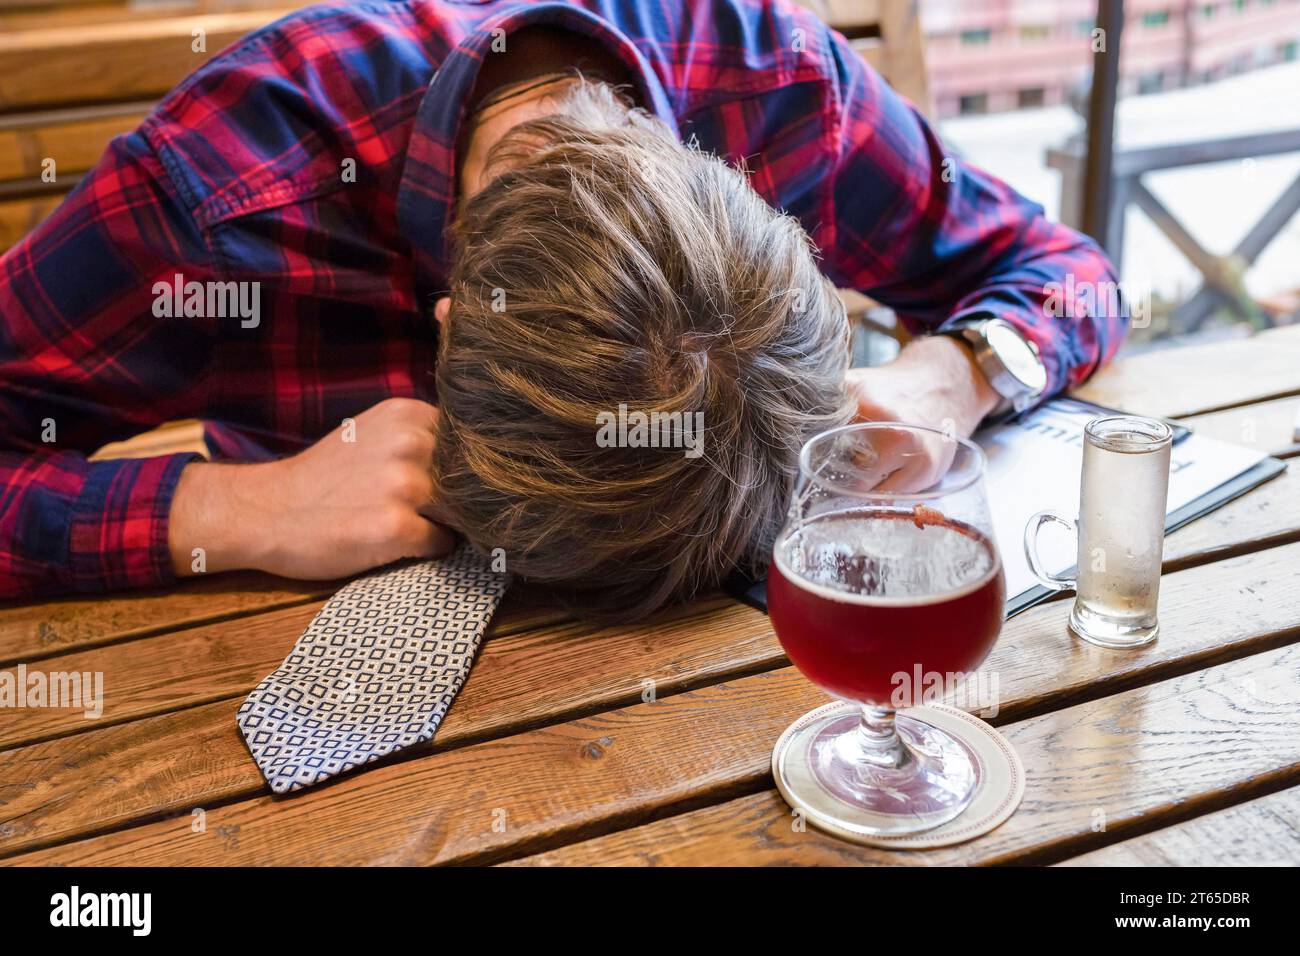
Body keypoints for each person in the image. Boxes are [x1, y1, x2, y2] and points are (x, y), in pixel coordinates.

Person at [0, 0, 1125, 617]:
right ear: (447, 325)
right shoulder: (227, 191)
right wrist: (235, 512)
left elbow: (1067, 270)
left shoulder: (778, 88)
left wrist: (957, 373)